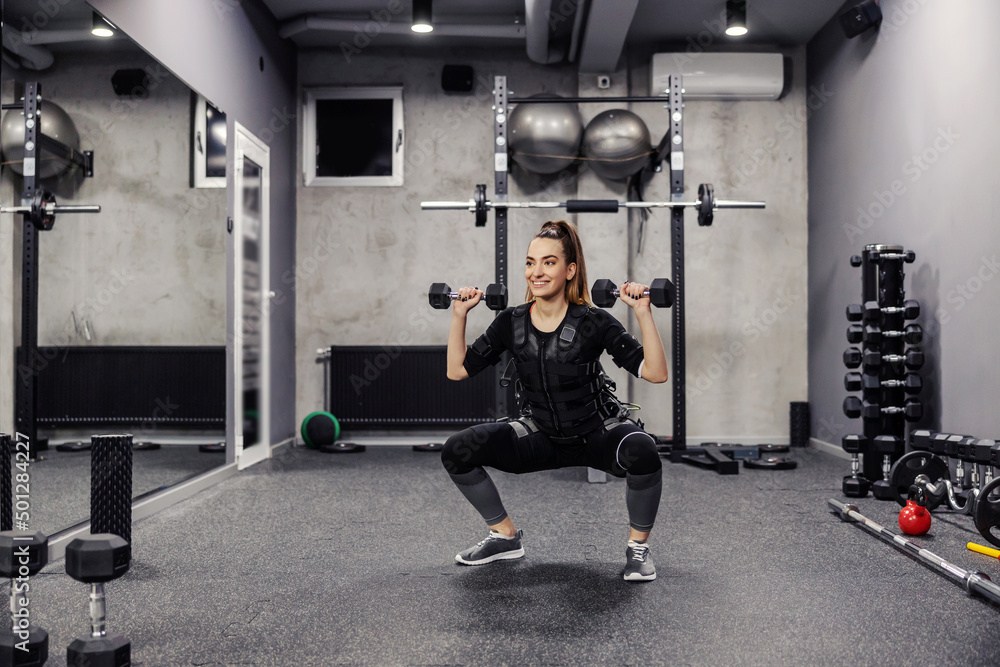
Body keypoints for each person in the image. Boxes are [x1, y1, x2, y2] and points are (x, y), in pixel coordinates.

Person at [441, 220, 668, 581]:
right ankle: (504, 536)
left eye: (548, 262)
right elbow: (457, 370)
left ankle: (638, 550)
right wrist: (459, 315)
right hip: (541, 435)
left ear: (569, 269)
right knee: (458, 450)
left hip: (595, 434)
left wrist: (643, 312)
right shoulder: (510, 321)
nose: (537, 272)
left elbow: (655, 372)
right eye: (530, 263)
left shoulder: (594, 322)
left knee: (643, 451)